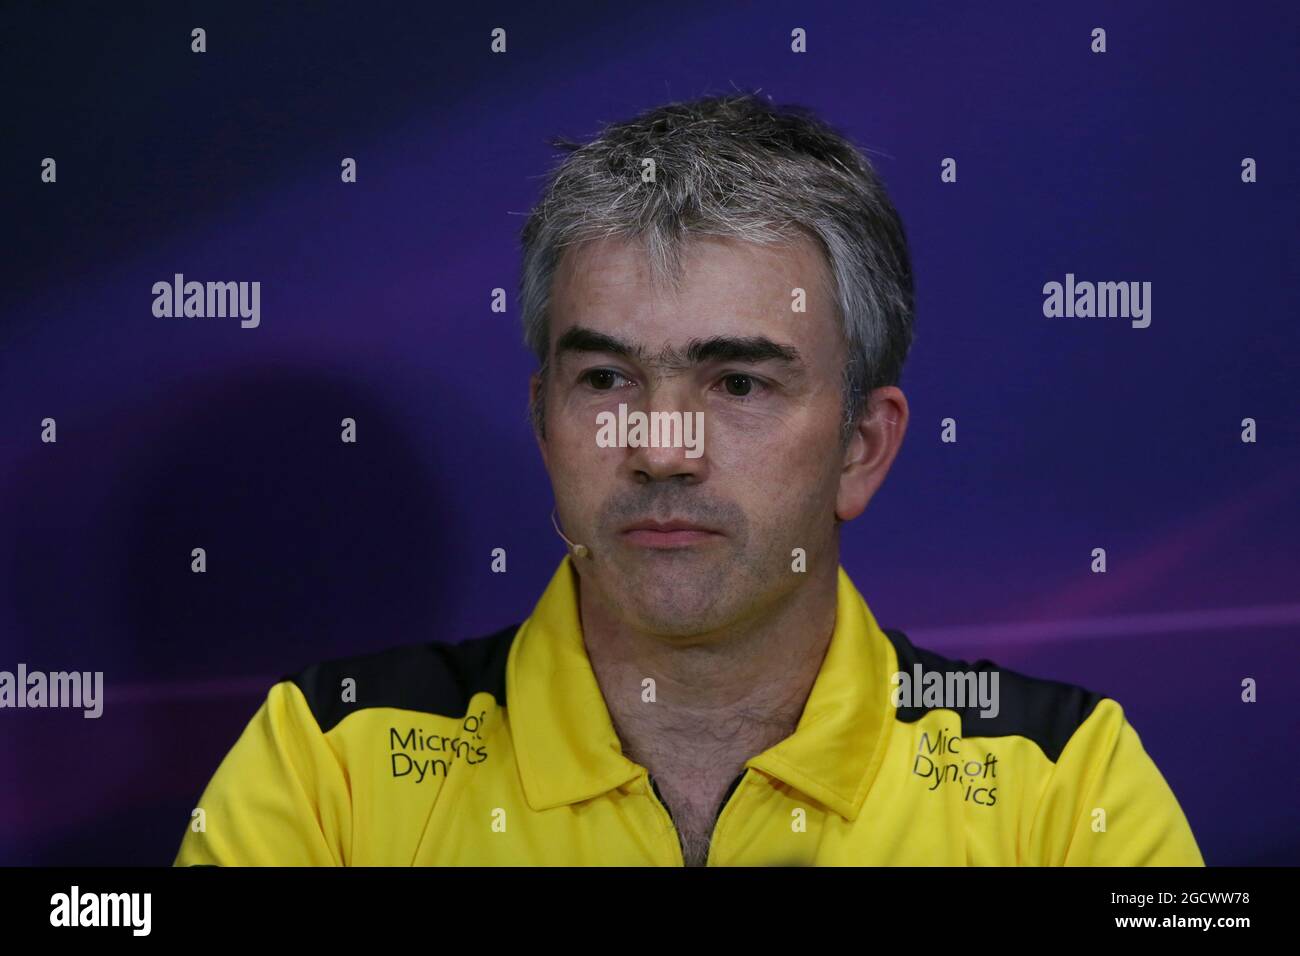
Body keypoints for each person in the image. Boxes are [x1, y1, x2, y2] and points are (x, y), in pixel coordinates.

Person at [174, 93, 1202, 866]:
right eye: (608, 375)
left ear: (862, 445)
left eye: (739, 381)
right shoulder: (328, 763)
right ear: (545, 421)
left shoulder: (1066, 784)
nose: (661, 445)